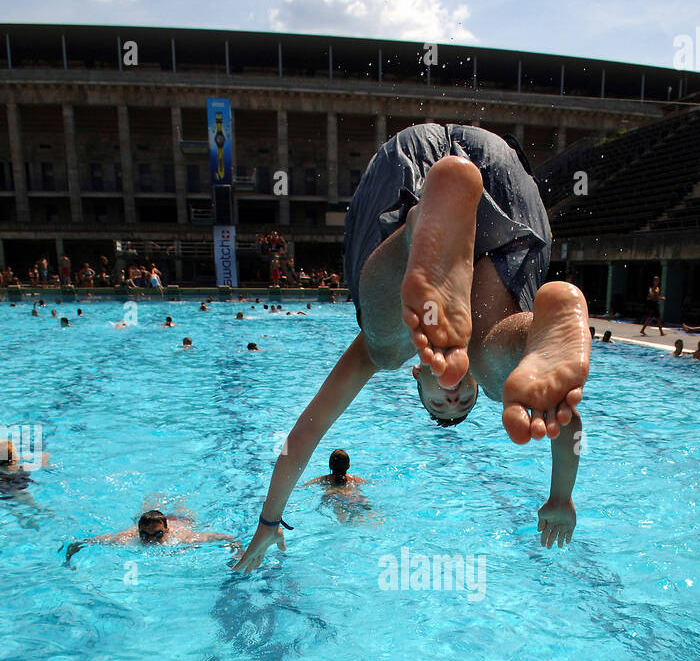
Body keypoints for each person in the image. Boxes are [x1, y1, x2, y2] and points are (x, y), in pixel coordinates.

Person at [233, 123, 589, 571]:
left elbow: (302, 436)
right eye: (463, 401)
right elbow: (566, 420)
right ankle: (540, 326)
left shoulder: (385, 357)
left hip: (406, 173)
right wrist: (560, 496)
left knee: (385, 351)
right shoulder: (475, 366)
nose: (453, 396)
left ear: (419, 381)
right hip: (504, 181)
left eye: (441, 405)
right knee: (498, 369)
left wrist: (269, 520)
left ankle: (415, 228)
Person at [65, 509, 240, 561]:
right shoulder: (125, 538)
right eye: (145, 536)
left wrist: (239, 551)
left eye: (158, 535)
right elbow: (85, 542)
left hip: (181, 519)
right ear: (138, 532)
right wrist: (71, 553)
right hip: (155, 519)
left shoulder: (184, 538)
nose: (151, 541)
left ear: (167, 530)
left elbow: (228, 538)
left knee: (182, 509)